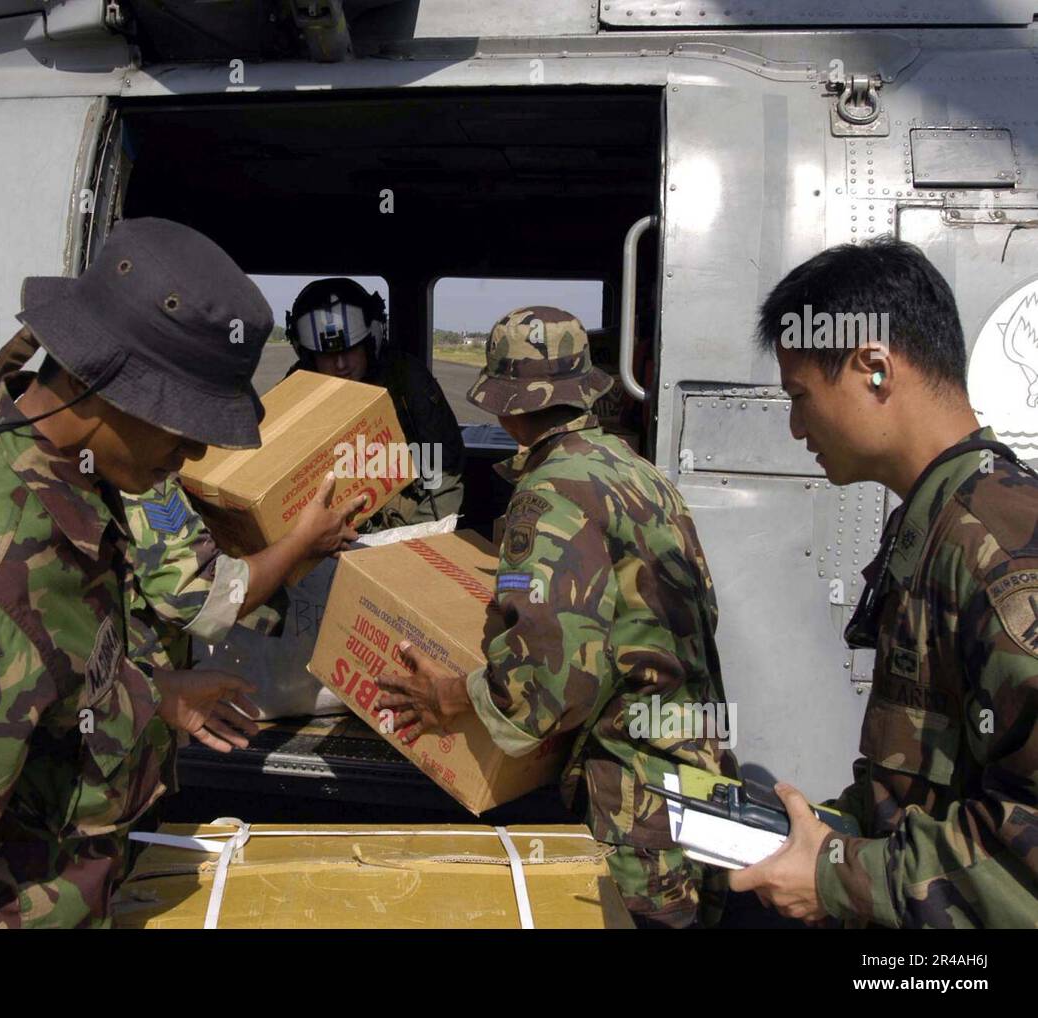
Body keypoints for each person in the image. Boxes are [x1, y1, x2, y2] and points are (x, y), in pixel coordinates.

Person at [0, 218, 360, 928]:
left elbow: (44, 683)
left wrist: (151, 698)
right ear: (107, 387)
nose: (188, 454)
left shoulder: (46, 467)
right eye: (179, 422)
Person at [376, 306, 735, 928]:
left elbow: (551, 678)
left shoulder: (552, 493)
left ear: (506, 408)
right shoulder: (639, 474)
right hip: (694, 774)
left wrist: (452, 696)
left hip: (635, 800)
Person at [728, 237, 1038, 928]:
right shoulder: (931, 524)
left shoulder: (996, 548)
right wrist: (818, 834)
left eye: (802, 396)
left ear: (873, 368)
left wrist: (839, 878)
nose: (795, 424)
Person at [285, 277, 466, 528]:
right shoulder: (295, 392)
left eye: (350, 350)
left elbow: (443, 477)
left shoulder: (406, 382)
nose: (340, 365)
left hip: (403, 523)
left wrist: (415, 542)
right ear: (307, 356)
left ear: (370, 343)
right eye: (327, 355)